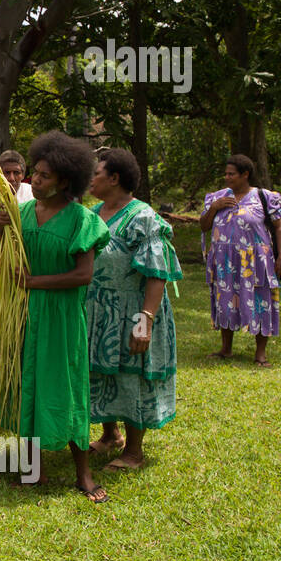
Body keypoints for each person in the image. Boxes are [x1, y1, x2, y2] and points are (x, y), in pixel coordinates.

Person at [0, 130, 109, 502]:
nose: (33, 181)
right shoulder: (23, 212)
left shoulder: (81, 219)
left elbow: (83, 275)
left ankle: (84, 474)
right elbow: (6, 256)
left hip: (60, 315)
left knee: (67, 386)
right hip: (26, 314)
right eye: (35, 174)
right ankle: (34, 470)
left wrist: (34, 282)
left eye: (43, 175)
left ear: (64, 180)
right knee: (30, 383)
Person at [86, 149, 183, 470]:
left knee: (132, 373)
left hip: (133, 309)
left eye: (96, 172)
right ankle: (110, 434)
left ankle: (135, 451)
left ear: (114, 178)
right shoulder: (94, 212)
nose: (91, 178)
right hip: (99, 309)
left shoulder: (143, 217)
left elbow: (157, 272)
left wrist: (146, 319)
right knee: (100, 368)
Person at [200, 154, 281, 366]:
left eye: (231, 174)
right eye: (226, 173)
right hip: (224, 260)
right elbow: (204, 226)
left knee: (261, 300)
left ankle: (260, 354)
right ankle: (226, 348)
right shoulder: (217, 197)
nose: (227, 177)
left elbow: (279, 227)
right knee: (225, 300)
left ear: (245, 175)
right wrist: (215, 207)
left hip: (256, 259)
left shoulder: (264, 197)